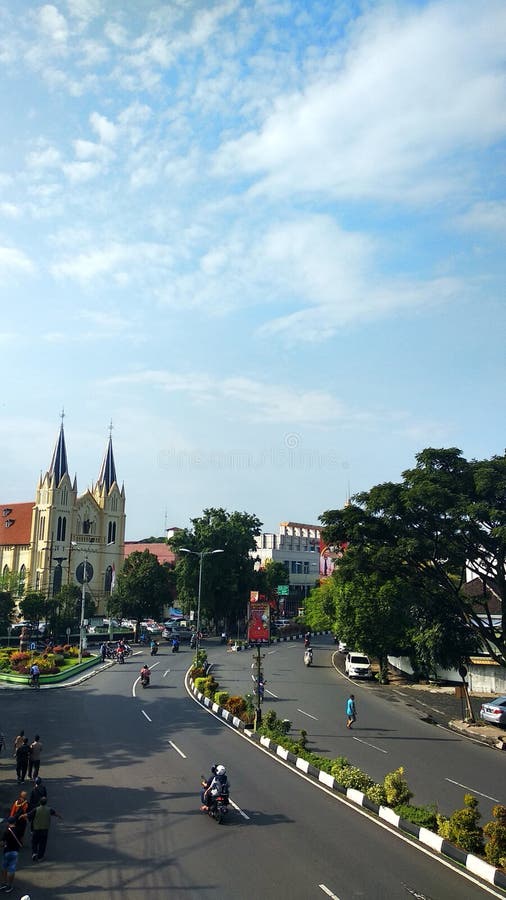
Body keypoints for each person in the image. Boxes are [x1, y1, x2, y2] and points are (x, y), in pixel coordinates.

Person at [28, 796, 62, 862]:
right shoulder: (49, 809)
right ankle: (40, 857)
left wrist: (23, 816)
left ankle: (34, 853)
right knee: (42, 844)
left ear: (40, 802)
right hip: (45, 830)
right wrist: (59, 816)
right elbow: (55, 814)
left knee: (34, 842)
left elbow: (29, 815)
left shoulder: (36, 809)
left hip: (36, 829)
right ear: (46, 803)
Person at [0, 816, 23, 892]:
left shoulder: (6, 831)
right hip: (15, 852)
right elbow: (21, 839)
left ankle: (3, 883)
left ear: (8, 823)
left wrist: (3, 845)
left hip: (7, 851)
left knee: (4, 868)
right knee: (11, 869)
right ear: (15, 822)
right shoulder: (19, 830)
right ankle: (9, 886)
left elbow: (2, 843)